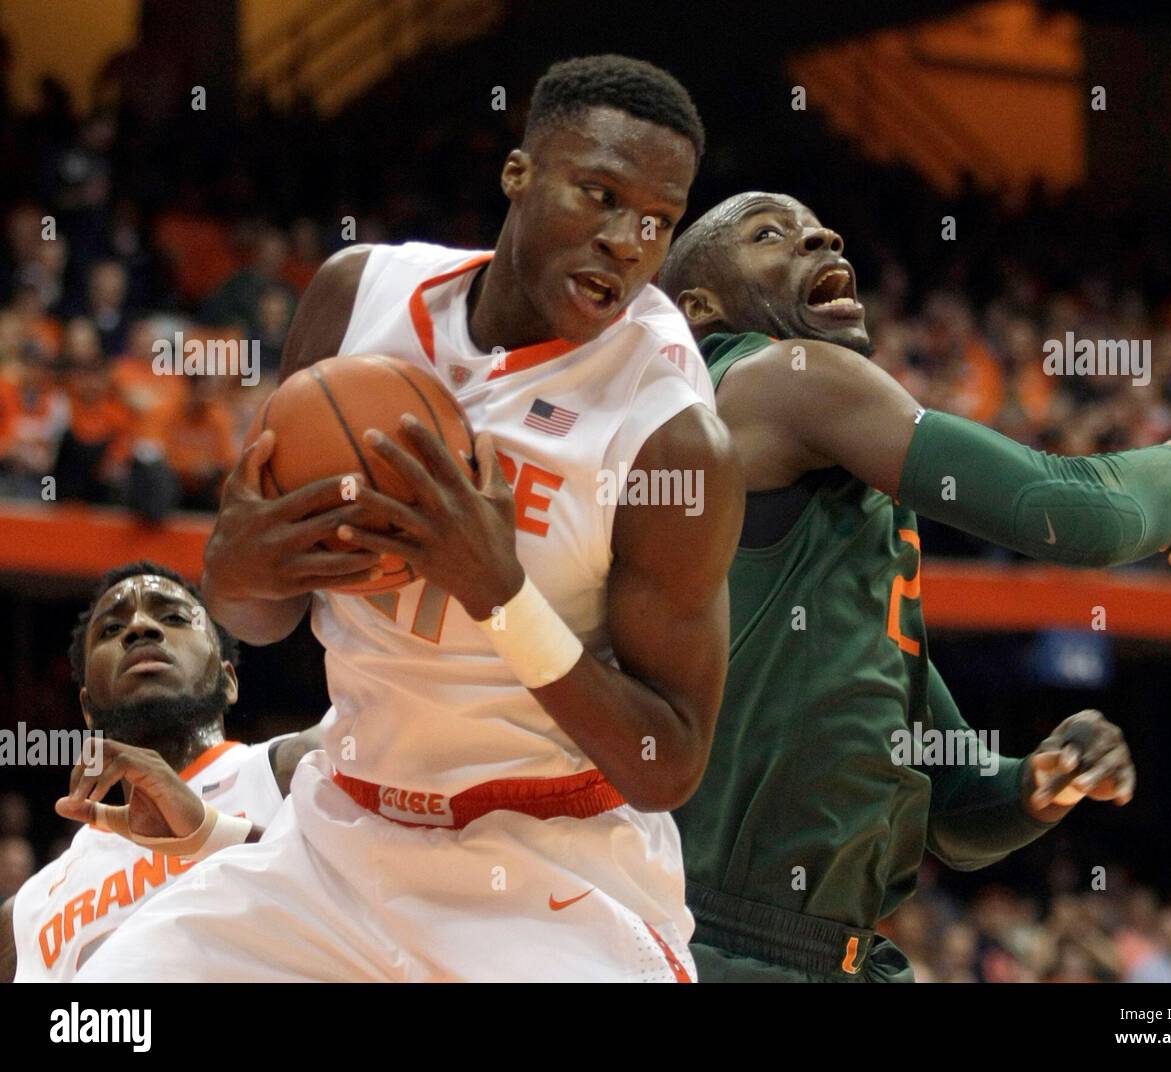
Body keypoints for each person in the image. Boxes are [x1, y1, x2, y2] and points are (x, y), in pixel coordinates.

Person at [78, 55, 744, 983]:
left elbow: (666, 762)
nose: (626, 241)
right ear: (518, 173)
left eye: (658, 222)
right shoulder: (358, 299)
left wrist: (498, 592)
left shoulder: (670, 434)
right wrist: (239, 568)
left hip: (551, 870)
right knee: (105, 999)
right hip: (338, 837)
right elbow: (255, 615)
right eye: (598, 194)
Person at [657, 191, 1171, 982]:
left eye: (818, 228)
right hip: (722, 944)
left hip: (823, 953)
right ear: (700, 307)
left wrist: (1036, 786)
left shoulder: (831, 510)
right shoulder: (782, 376)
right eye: (771, 234)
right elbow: (1069, 513)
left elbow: (954, 803)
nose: (821, 235)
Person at [1, 561, 321, 982]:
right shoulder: (23, 913)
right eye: (111, 630)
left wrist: (215, 836)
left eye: (173, 617)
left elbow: (381, 916)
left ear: (228, 680)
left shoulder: (295, 769)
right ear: (87, 711)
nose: (139, 628)